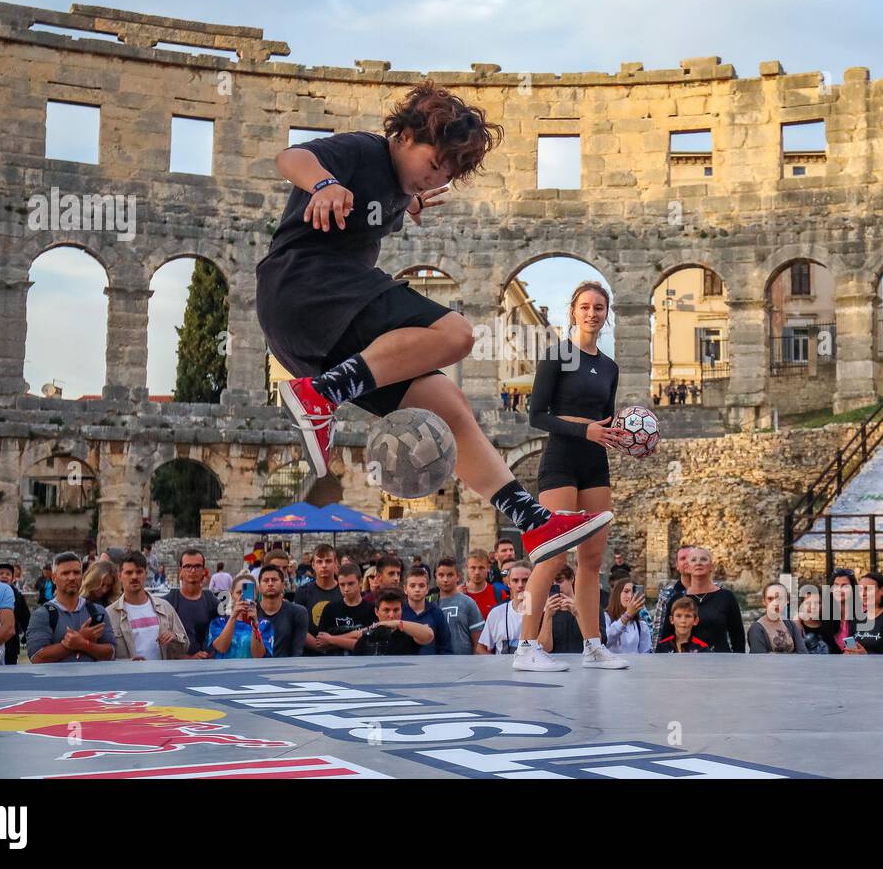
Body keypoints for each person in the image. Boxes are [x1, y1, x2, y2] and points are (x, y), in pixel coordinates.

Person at [260, 88, 611, 581]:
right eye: (434, 160)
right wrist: (322, 184)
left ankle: (532, 521)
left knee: (447, 404)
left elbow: (385, 205)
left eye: (449, 171)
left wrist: (410, 202)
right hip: (303, 287)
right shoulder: (364, 150)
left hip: (314, 335)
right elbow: (291, 155)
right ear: (403, 136)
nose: (439, 174)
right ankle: (322, 395)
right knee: (455, 334)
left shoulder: (402, 189)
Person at [516, 281, 630, 671]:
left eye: (599, 307)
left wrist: (626, 435)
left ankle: (593, 645)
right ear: (573, 311)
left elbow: (607, 419)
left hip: (596, 463)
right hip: (561, 460)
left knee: (592, 559)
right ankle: (526, 646)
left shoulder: (610, 367)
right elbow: (537, 416)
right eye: (585, 306)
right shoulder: (558, 356)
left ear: (606, 313)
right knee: (551, 556)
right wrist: (585, 430)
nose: (592, 313)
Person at [26, 552, 115, 663]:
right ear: (54, 578)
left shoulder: (97, 611)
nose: (72, 577)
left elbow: (111, 652)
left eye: (76, 573)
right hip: (56, 679)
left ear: (82, 576)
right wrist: (74, 642)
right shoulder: (42, 615)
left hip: (91, 679)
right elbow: (37, 657)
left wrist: (84, 644)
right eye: (65, 573)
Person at [657, 546, 746, 653]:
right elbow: (667, 638)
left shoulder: (726, 597)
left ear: (711, 566)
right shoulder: (677, 599)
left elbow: (738, 638)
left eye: (703, 559)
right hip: (687, 664)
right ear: (688, 567)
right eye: (693, 560)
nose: (698, 563)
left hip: (720, 663)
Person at [106, 551, 188, 661]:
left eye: (139, 572)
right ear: (120, 576)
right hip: (129, 677)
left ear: (146, 573)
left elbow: (186, 645)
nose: (134, 577)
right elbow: (105, 657)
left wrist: (174, 637)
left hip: (163, 676)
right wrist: (127, 663)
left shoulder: (165, 607)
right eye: (129, 573)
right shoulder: (110, 614)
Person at [164, 549, 222, 658]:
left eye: (197, 566)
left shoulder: (212, 601)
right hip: (176, 665)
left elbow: (221, 635)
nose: (193, 570)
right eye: (188, 566)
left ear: (204, 571)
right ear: (180, 570)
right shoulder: (168, 602)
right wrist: (189, 658)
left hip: (207, 663)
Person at [207, 571, 271, 659]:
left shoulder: (264, 624)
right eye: (239, 593)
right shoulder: (219, 622)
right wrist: (233, 616)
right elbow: (221, 648)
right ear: (231, 594)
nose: (242, 597)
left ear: (256, 596)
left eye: (247, 593)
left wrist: (255, 627)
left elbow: (258, 655)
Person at [841, 572, 883, 655]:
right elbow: (849, 648)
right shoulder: (857, 619)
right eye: (860, 590)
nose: (863, 594)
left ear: (882, 590)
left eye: (867, 589)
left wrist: (867, 656)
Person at [293, 544, 342, 655]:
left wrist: (336, 643)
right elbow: (298, 626)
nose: (324, 565)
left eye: (328, 561)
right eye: (319, 562)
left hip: (340, 654)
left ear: (335, 563)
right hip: (309, 655)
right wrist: (319, 646)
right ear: (313, 565)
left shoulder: (344, 590)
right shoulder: (303, 592)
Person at [316, 563, 375, 655]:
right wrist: (354, 638)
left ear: (360, 582)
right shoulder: (330, 609)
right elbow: (321, 642)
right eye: (342, 585)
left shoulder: (371, 609)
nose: (346, 589)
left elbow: (368, 644)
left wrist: (332, 640)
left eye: (350, 584)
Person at [355, 588, 435, 655]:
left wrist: (397, 623)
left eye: (396, 610)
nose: (391, 615)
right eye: (386, 610)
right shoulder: (367, 638)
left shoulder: (409, 634)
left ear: (401, 610)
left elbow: (429, 635)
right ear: (377, 612)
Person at [477, 562, 532, 655]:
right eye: (515, 580)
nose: (520, 585)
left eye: (525, 580)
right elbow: (480, 648)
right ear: (509, 583)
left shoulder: (543, 611)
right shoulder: (496, 613)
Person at [432, 557, 484, 655]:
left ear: (458, 576)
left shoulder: (468, 603)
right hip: (437, 664)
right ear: (436, 576)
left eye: (450, 575)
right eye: (441, 575)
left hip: (464, 664)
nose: (445, 579)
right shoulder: (431, 604)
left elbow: (478, 641)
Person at [255, 565, 309, 657]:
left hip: (287, 668)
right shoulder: (251, 612)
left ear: (283, 585)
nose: (270, 583)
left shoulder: (298, 612)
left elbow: (297, 651)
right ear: (259, 587)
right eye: (266, 580)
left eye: (274, 580)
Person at [398, 567, 450, 654]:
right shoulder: (399, 612)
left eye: (421, 586)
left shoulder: (436, 612)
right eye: (412, 586)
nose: (417, 589)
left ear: (427, 589)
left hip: (430, 665)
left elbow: (445, 647)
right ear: (405, 589)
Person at [747, 582, 807, 654]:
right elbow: (760, 659)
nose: (775, 603)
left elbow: (803, 653)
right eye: (770, 599)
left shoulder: (791, 625)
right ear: (764, 601)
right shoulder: (756, 628)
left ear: (786, 601)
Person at [0, 562, 29, 665]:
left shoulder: (18, 596)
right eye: (1, 573)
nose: (4, 576)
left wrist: (27, 636)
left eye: (7, 574)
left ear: (12, 578)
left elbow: (25, 618)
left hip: (11, 644)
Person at [651, 546, 692, 642]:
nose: (687, 561)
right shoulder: (667, 594)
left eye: (691, 558)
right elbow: (658, 629)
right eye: (683, 558)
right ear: (677, 565)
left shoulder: (713, 593)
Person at [603, 578, 652, 654]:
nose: (630, 596)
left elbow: (645, 653)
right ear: (617, 594)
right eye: (626, 591)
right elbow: (605, 641)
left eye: (633, 593)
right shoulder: (606, 617)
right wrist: (627, 616)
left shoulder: (641, 625)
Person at [463, 548, 509, 619]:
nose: (477, 572)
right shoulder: (458, 594)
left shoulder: (499, 595)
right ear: (466, 568)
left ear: (488, 568)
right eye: (473, 568)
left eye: (481, 568)